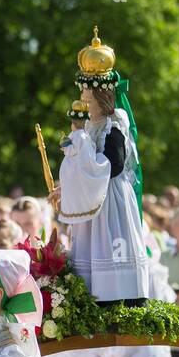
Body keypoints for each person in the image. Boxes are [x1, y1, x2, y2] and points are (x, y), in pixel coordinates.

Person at [54, 27, 151, 304]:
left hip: (111, 201)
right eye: (83, 89)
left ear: (100, 94)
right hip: (93, 197)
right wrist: (67, 188)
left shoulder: (112, 123)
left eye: (87, 90)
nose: (83, 95)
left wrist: (81, 141)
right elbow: (88, 168)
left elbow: (113, 166)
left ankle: (116, 299)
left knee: (110, 247)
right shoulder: (90, 126)